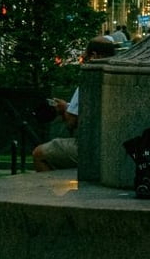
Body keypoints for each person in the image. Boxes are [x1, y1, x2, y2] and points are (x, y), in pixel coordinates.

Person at [32, 37, 120, 171]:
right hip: (112, 146)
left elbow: (72, 122)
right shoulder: (116, 79)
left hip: (89, 147)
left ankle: (47, 190)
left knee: (39, 153)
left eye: (85, 53)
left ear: (95, 56)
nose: (83, 56)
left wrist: (65, 109)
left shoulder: (88, 81)